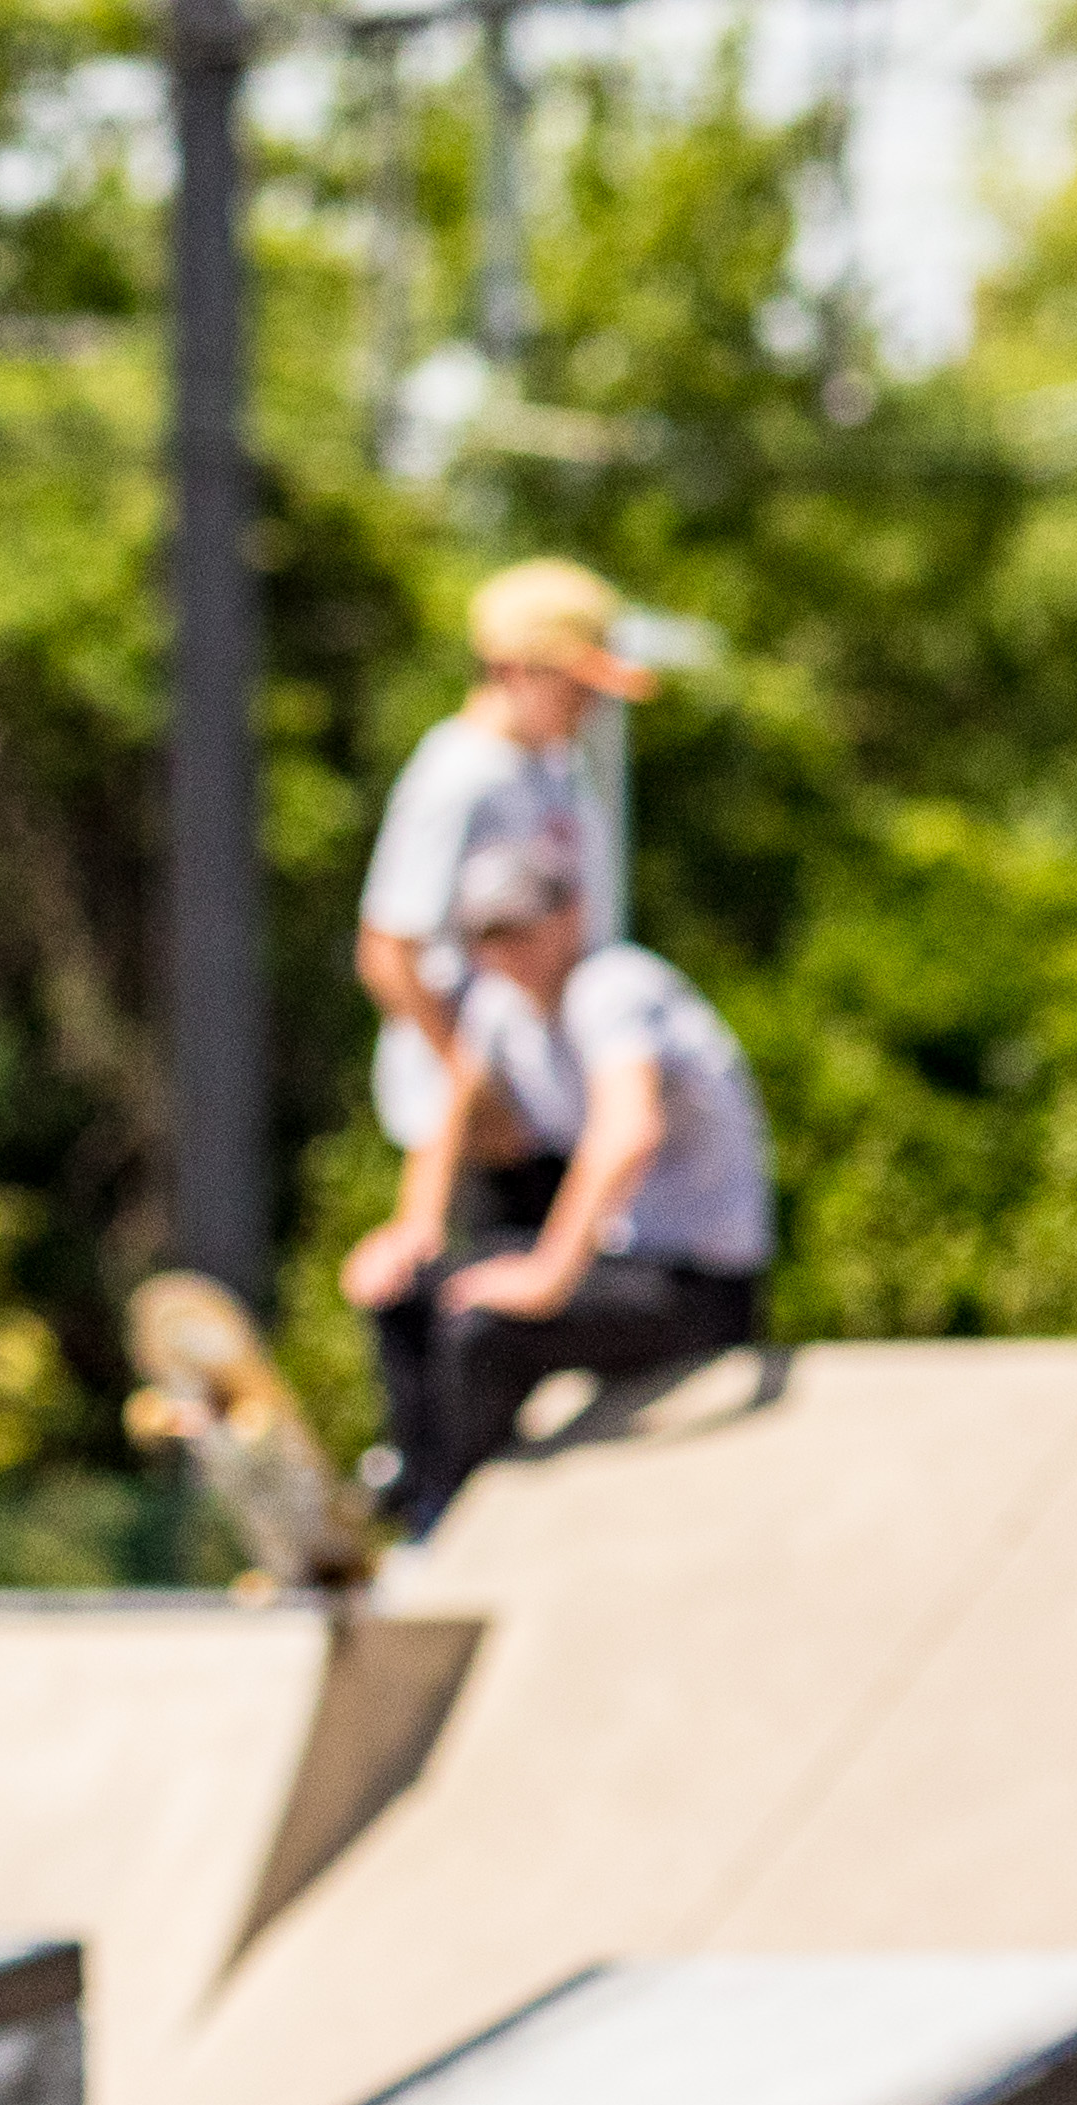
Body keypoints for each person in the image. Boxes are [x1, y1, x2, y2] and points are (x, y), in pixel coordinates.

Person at [342, 841, 773, 1525]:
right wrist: (413, 1230)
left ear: (570, 916)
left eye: (517, 931)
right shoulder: (500, 1004)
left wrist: (548, 1273)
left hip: (701, 1286)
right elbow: (453, 1108)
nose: (504, 953)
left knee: (484, 1329)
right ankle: (407, 1479)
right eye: (486, 937)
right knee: (408, 1293)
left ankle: (449, 1516)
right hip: (624, 1265)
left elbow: (629, 1131)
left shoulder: (615, 987)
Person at [348, 558, 660, 1434]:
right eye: (574, 686)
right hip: (483, 1108)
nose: (588, 708)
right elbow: (389, 950)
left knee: (541, 1314)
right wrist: (468, 1082)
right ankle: (419, 1484)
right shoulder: (462, 775)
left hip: (545, 1090)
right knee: (463, 1309)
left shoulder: (555, 768)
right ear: (517, 671)